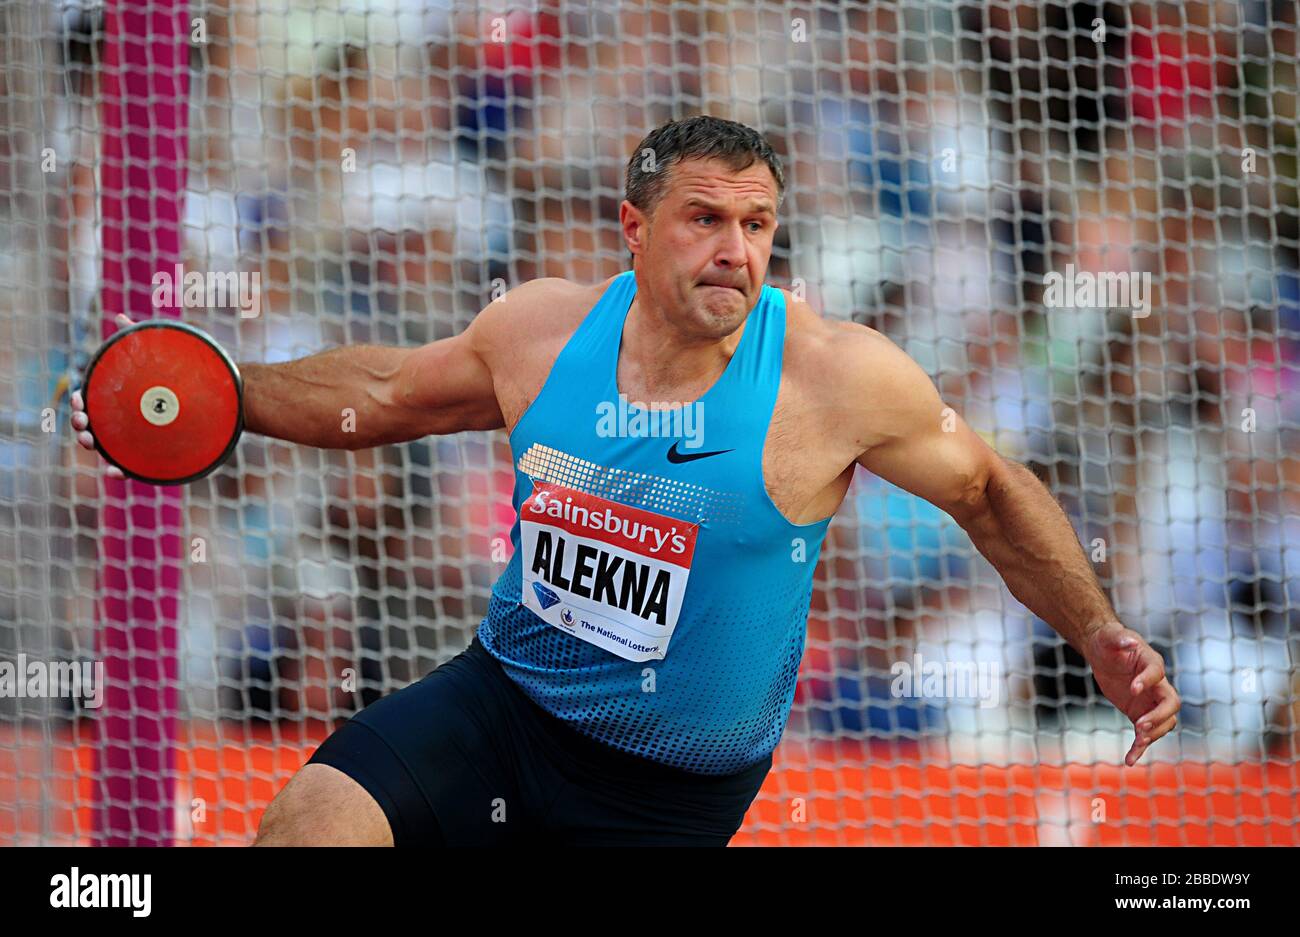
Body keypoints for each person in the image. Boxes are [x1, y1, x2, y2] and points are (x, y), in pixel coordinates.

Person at [71, 115, 1180, 846]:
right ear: (635, 230)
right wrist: (212, 390)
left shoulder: (833, 379)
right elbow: (390, 391)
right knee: (308, 823)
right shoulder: (545, 331)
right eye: (704, 220)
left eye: (755, 225)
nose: (733, 251)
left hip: (665, 796)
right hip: (501, 701)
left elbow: (987, 489)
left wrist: (1096, 630)